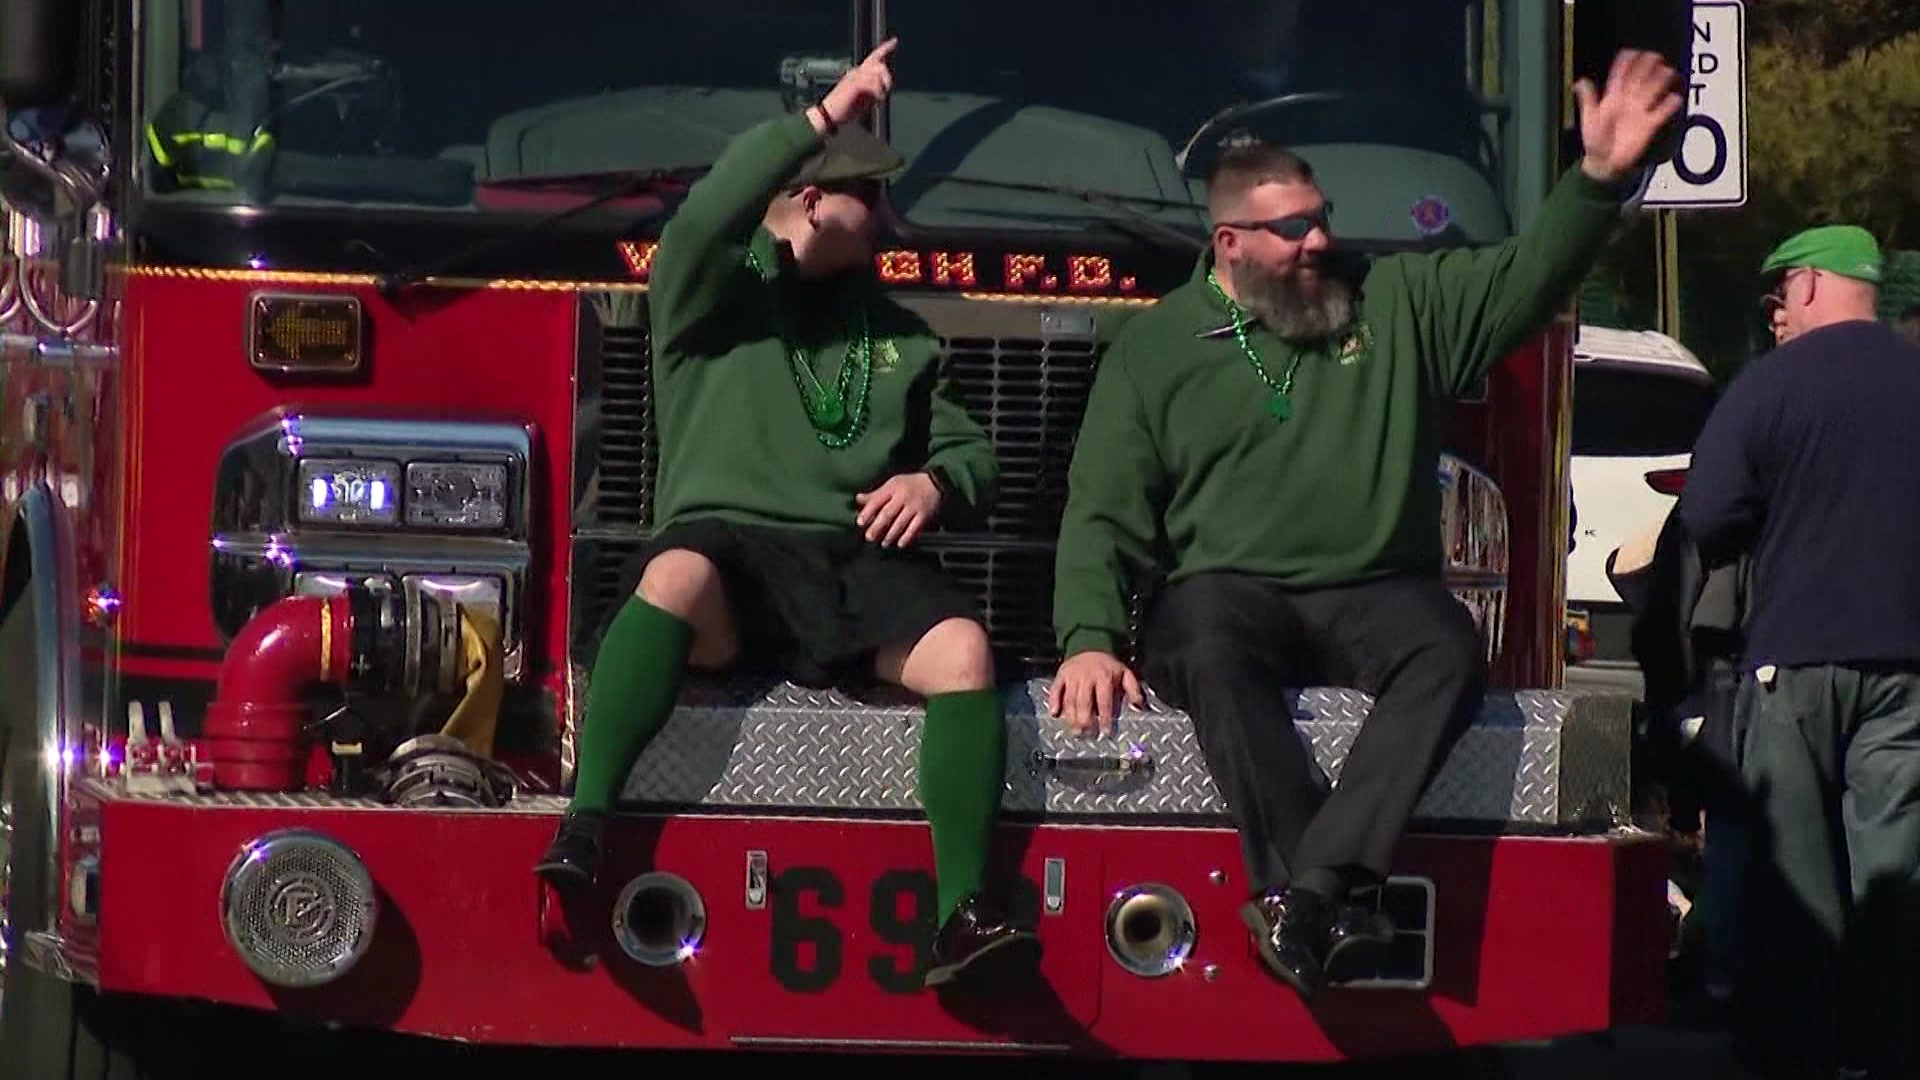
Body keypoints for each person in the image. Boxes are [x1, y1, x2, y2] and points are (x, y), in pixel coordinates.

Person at [1047, 49, 1681, 999]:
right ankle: (1325, 892)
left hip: (1372, 590)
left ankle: (1309, 894)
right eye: (1291, 227)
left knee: (1445, 648)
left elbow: (1527, 276)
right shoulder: (1157, 347)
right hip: (1228, 591)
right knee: (1207, 645)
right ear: (1228, 245)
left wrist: (1596, 180)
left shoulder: (1396, 302)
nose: (1317, 241)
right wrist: (1089, 638)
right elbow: (1103, 508)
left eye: (1322, 219)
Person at [535, 39, 1040, 992]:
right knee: (670, 576)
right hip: (727, 557)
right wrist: (824, 116)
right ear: (811, 201)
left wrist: (936, 484)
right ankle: (586, 825)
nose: (887, 220)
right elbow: (709, 214)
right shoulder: (708, 296)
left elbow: (973, 456)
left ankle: (962, 917)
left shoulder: (902, 335)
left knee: (966, 651)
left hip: (847, 566)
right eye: (870, 199)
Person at [1679, 225, 1920, 1078]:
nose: (1776, 312)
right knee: (1894, 874)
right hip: (1907, 669)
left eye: (1780, 293)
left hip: (1795, 660)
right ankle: (1892, 1044)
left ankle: (1798, 1051)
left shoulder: (1769, 385)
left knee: (1798, 883)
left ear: (1812, 285)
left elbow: (1708, 514)